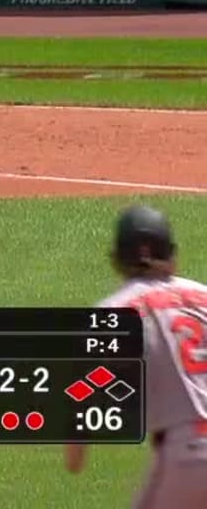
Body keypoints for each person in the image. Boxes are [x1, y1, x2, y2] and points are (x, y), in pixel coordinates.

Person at [66, 204, 207, 507]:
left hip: (187, 458)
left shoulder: (112, 312)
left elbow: (84, 390)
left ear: (117, 260)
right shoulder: (204, 296)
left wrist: (75, 451)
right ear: (171, 256)